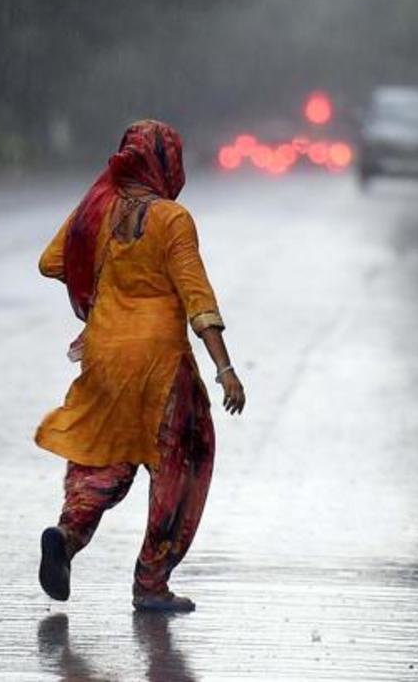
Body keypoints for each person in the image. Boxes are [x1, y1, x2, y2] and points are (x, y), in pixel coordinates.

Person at [34, 119, 246, 613]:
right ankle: (151, 582)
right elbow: (199, 298)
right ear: (165, 163)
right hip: (159, 365)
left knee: (103, 460)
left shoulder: (98, 209)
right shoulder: (172, 219)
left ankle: (66, 538)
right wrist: (224, 369)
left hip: (105, 358)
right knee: (182, 463)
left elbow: (51, 262)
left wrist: (97, 279)